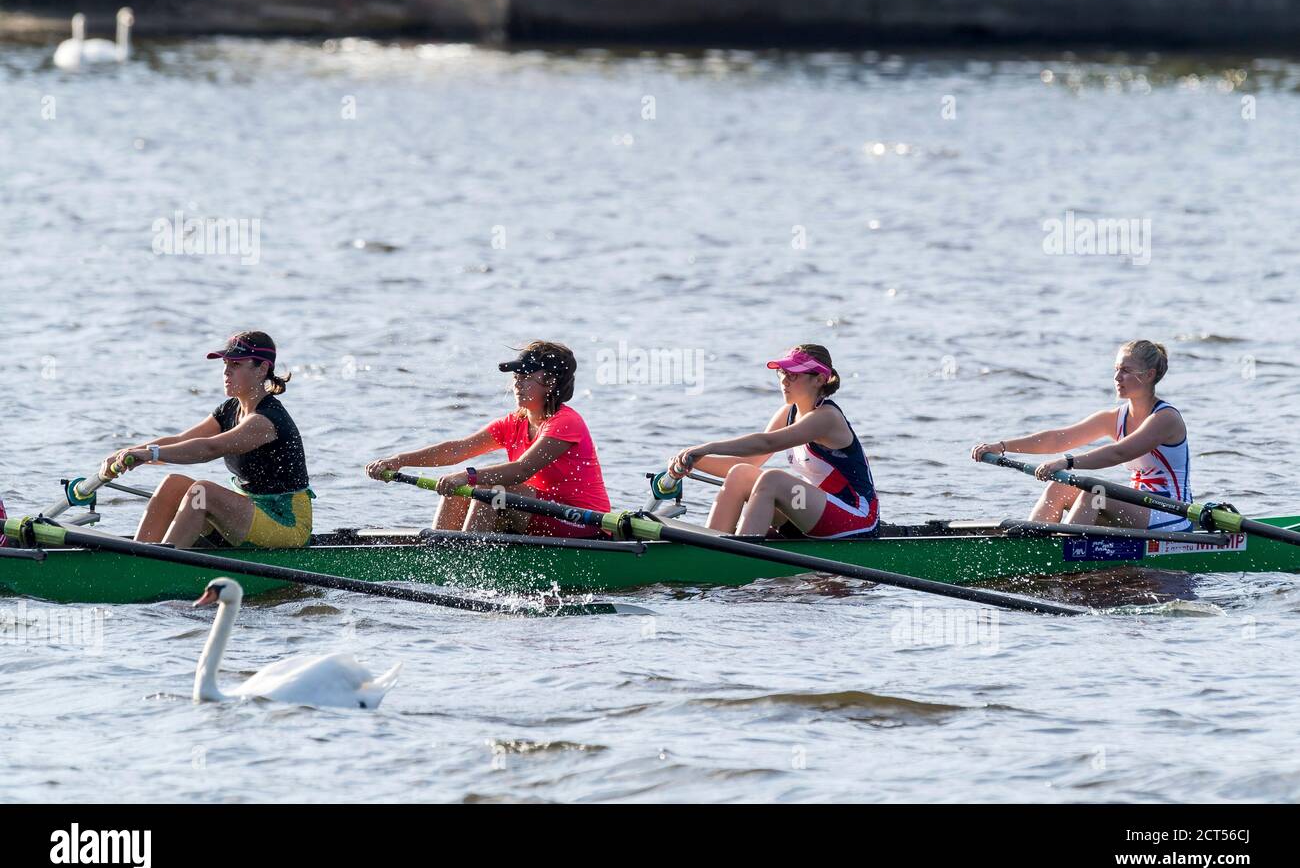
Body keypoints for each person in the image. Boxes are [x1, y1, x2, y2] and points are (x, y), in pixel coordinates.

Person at [367, 341, 611, 538]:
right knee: (458, 490)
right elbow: (457, 449)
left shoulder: (566, 423)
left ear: (550, 382)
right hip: (540, 513)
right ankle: (440, 555)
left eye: (526, 376)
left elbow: (521, 470)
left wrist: (468, 475)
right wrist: (398, 461)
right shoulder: (514, 423)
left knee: (490, 488)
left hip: (581, 521)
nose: (517, 381)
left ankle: (470, 564)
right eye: (517, 375)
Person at [102, 332, 313, 548]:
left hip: (286, 524)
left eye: (236, 364)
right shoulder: (229, 409)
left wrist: (150, 454)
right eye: (225, 363)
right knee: (172, 484)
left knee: (202, 492)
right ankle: (138, 559)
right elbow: (181, 439)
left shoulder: (266, 420)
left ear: (262, 369)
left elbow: (210, 448)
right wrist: (127, 452)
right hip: (249, 511)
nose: (226, 371)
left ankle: (161, 567)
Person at [971, 339, 1191, 531]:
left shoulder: (1165, 418)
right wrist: (1001, 446)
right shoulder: (1114, 418)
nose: (1117, 377)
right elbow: (1057, 439)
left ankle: (1062, 553)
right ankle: (1032, 547)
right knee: (1059, 487)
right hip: (1138, 506)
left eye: (1126, 370)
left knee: (1095, 492)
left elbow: (1118, 453)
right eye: (1116, 369)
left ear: (1149, 375)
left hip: (1171, 512)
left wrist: (1066, 462)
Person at [667, 345, 880, 538]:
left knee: (773, 480)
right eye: (782, 373)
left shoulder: (827, 417)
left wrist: (708, 447)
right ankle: (712, 543)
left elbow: (767, 443)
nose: (784, 381)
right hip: (815, 512)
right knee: (741, 473)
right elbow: (750, 461)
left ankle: (737, 555)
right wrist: (691, 461)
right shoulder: (788, 413)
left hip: (855, 519)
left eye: (794, 374)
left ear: (820, 379)